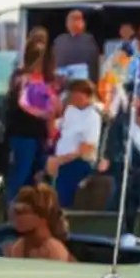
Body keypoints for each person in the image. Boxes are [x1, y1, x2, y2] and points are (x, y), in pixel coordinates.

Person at [5, 42, 56, 201]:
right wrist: (43, 114)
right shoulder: (22, 78)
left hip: (37, 133)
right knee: (21, 172)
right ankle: (12, 206)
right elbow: (23, 103)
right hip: (23, 132)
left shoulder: (45, 80)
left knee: (34, 174)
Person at [47, 79, 103, 208]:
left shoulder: (93, 116)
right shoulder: (70, 111)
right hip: (60, 160)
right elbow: (56, 128)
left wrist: (61, 160)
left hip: (77, 161)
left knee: (64, 193)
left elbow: (87, 147)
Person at [4, 183, 72, 262]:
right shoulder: (20, 246)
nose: (18, 218)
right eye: (17, 213)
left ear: (42, 217)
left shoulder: (53, 250)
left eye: (24, 212)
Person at [52, 10, 101, 83]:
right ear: (67, 23)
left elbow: (94, 67)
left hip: (84, 84)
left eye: (78, 19)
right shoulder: (59, 41)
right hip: (63, 83)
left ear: (83, 23)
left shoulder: (89, 40)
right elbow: (55, 64)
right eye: (72, 20)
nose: (75, 23)